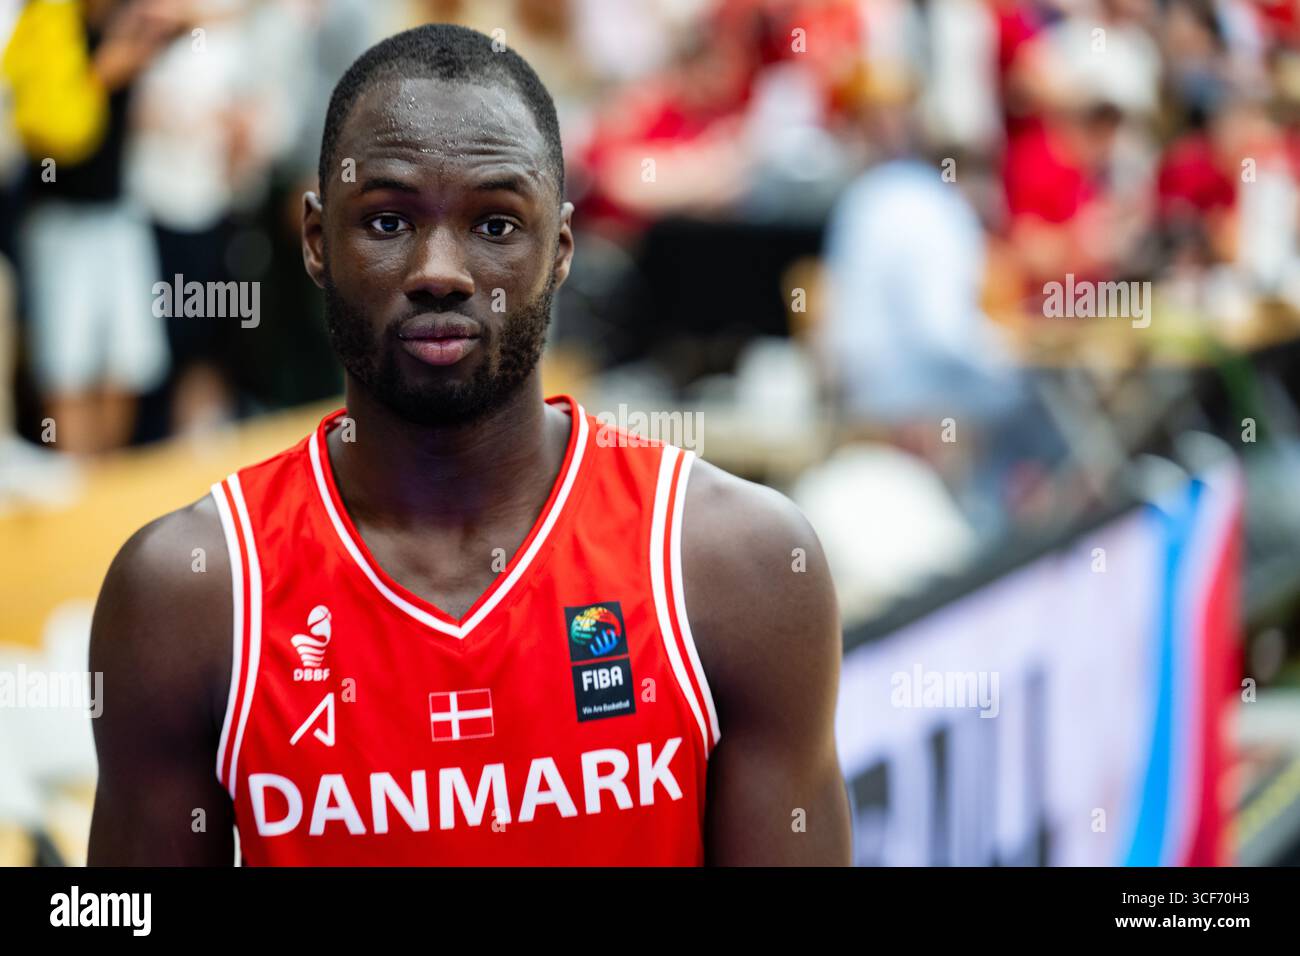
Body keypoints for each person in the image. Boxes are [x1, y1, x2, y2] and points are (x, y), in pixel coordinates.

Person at [87, 24, 850, 866]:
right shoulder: (189, 594)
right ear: (314, 241)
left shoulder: (735, 563)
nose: (440, 271)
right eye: (387, 220)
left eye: (495, 224)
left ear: (561, 249)